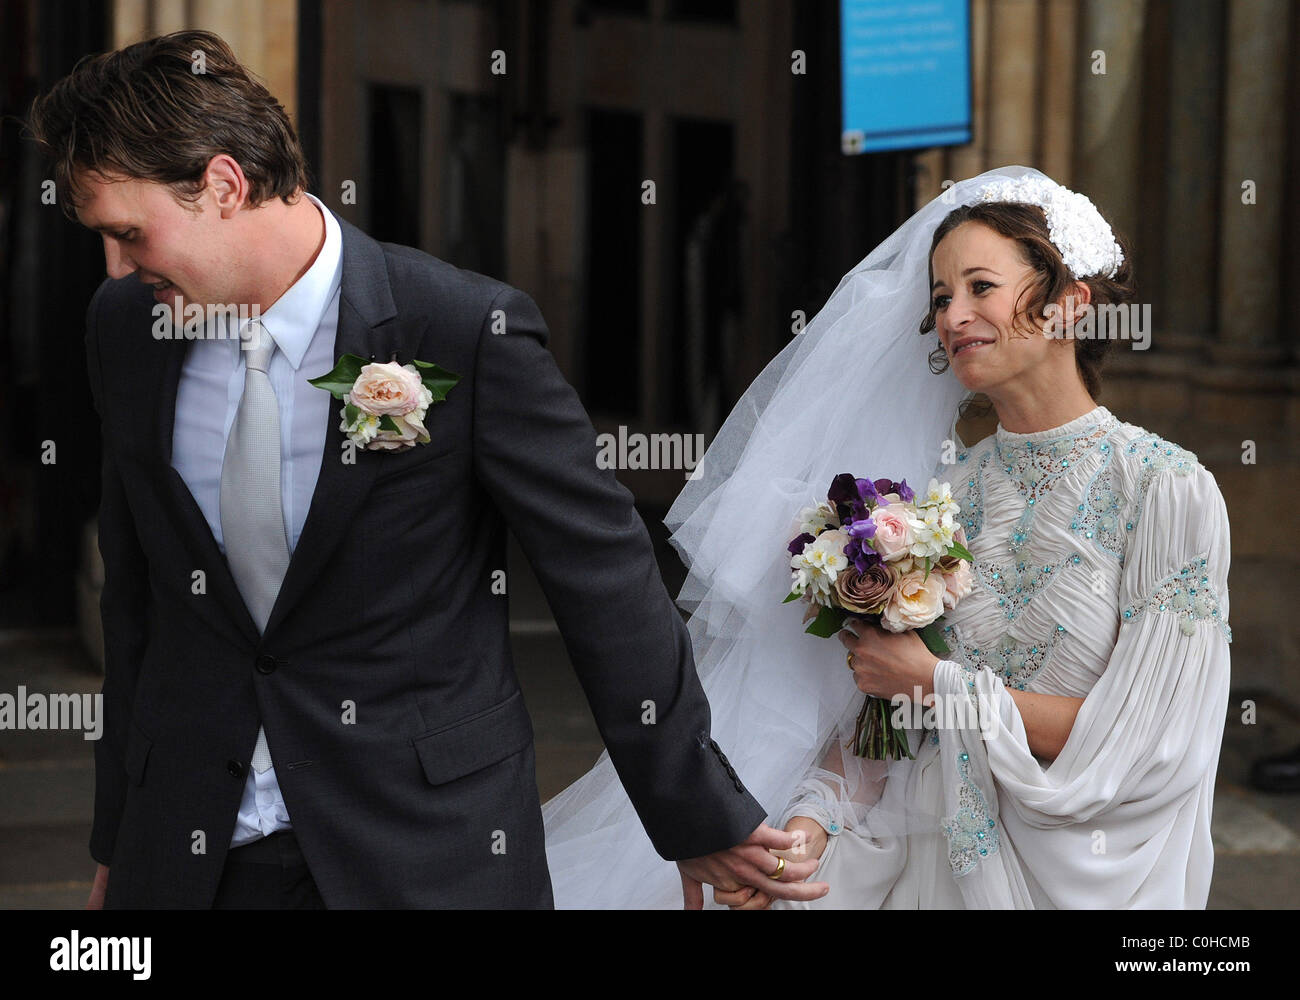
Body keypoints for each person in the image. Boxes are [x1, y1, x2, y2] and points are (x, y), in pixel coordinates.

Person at [27, 29, 828, 909]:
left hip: (423, 854)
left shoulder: (463, 331)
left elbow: (603, 579)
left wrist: (695, 813)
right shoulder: (125, 327)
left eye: (129, 233)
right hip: (190, 857)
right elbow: (138, 597)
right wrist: (118, 841)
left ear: (223, 184)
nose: (114, 264)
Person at [542, 165, 1233, 909]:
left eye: (979, 287)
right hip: (929, 864)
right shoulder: (941, 502)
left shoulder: (1166, 489)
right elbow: (885, 728)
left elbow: (1153, 741)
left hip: (1086, 875)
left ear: (1069, 305)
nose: (952, 315)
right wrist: (808, 826)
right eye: (940, 297)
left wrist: (939, 685)